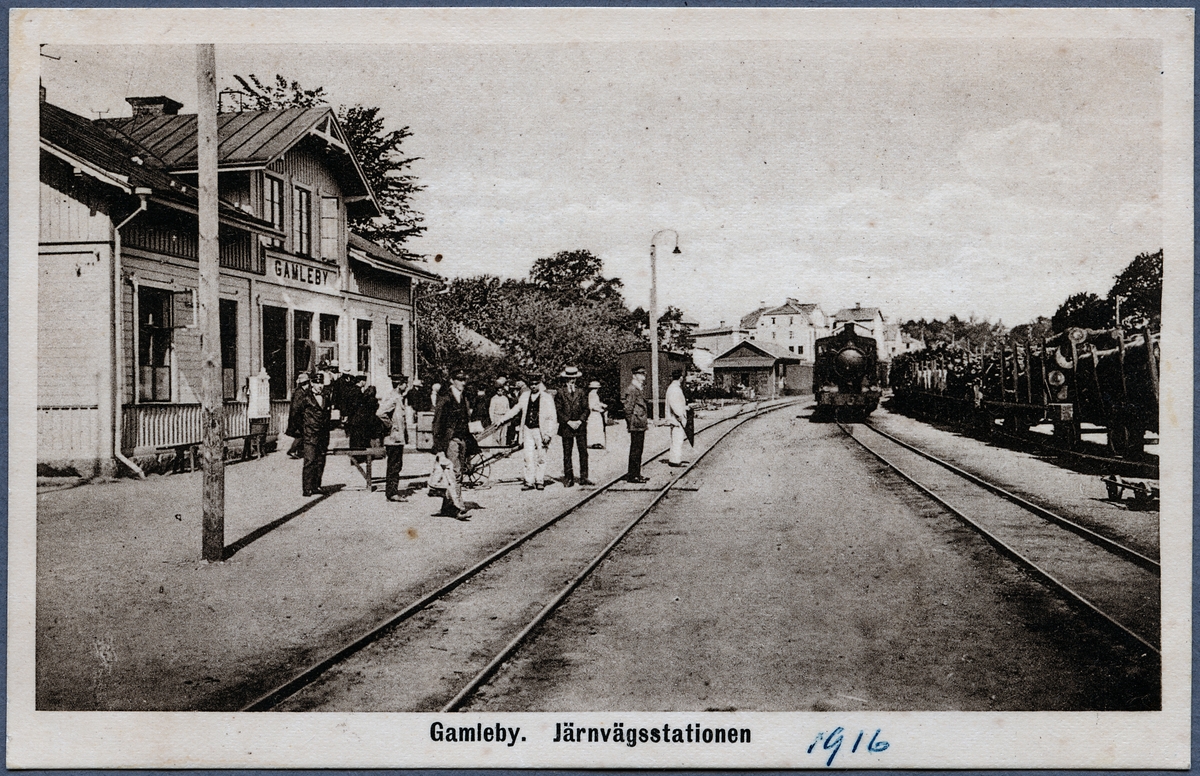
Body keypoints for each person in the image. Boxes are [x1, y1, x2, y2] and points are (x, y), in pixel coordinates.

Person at [498, 373, 557, 490]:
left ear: (540, 384)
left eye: (536, 384)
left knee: (541, 456)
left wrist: (548, 434)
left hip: (541, 430)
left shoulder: (547, 397)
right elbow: (515, 409)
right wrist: (502, 420)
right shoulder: (525, 396)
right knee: (527, 456)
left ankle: (539, 480)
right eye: (531, 384)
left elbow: (552, 417)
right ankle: (529, 481)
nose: (533, 386)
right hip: (527, 429)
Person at [431, 370, 476, 518]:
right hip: (451, 441)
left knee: (456, 473)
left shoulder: (462, 397)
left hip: (462, 439)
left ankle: (447, 507)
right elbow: (437, 424)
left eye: (464, 380)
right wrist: (439, 448)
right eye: (460, 379)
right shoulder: (445, 398)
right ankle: (458, 508)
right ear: (452, 380)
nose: (463, 382)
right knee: (455, 473)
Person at [554, 366, 592, 487]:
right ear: (565, 379)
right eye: (570, 378)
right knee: (567, 453)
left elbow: (586, 409)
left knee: (583, 452)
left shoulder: (581, 392)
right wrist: (568, 421)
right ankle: (569, 478)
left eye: (574, 378)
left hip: (580, 427)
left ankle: (584, 477)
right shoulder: (560, 392)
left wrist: (580, 421)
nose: (572, 380)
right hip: (566, 427)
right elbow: (558, 410)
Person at [377, 374, 411, 502]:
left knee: (396, 465)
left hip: (396, 438)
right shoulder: (394, 398)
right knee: (394, 466)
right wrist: (391, 425)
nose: (406, 386)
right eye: (404, 383)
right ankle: (392, 493)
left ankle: (392, 491)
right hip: (393, 438)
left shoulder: (397, 397)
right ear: (399, 385)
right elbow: (380, 413)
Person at [298, 372, 332, 496]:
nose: (320, 386)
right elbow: (296, 415)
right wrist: (304, 430)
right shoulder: (305, 397)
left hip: (323, 435)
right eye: (317, 383)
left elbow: (327, 415)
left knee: (320, 460)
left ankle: (316, 485)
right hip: (310, 434)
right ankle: (307, 488)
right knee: (310, 460)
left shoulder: (326, 396)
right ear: (312, 383)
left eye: (321, 383)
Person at [622, 365, 649, 483]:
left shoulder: (637, 388)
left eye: (643, 375)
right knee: (636, 450)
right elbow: (628, 408)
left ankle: (636, 473)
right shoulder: (632, 389)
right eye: (640, 375)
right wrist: (630, 423)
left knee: (638, 449)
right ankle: (633, 476)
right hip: (636, 423)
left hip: (639, 423)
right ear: (634, 376)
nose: (643, 377)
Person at [347, 383, 381, 463]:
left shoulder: (363, 399)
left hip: (357, 422)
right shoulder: (373, 401)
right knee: (364, 441)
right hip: (365, 422)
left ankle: (355, 459)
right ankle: (365, 457)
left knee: (356, 441)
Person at [665, 369, 691, 467]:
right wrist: (680, 415)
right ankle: (675, 461)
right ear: (680, 377)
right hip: (676, 419)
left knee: (676, 439)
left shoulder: (673, 387)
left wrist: (685, 407)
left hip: (675, 418)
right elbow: (674, 404)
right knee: (677, 440)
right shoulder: (674, 389)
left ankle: (674, 459)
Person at [285, 372, 311, 458]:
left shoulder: (301, 391)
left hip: (298, 417)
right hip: (297, 417)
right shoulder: (299, 392)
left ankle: (298, 451)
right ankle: (293, 450)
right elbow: (296, 407)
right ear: (305, 383)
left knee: (302, 434)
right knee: (302, 434)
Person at [489, 377, 514, 447]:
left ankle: (503, 448)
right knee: (496, 434)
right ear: (496, 391)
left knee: (504, 434)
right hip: (496, 416)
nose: (500, 392)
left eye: (501, 391)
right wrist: (492, 420)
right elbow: (491, 410)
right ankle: (496, 449)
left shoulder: (505, 398)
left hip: (504, 417)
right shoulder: (494, 399)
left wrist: (508, 418)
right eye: (499, 391)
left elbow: (508, 409)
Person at [587, 380, 607, 449]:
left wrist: (602, 405)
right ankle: (594, 442)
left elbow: (597, 403)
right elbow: (592, 406)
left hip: (597, 414)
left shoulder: (595, 395)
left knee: (598, 427)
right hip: (594, 414)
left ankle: (598, 442)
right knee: (594, 428)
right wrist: (600, 410)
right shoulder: (592, 394)